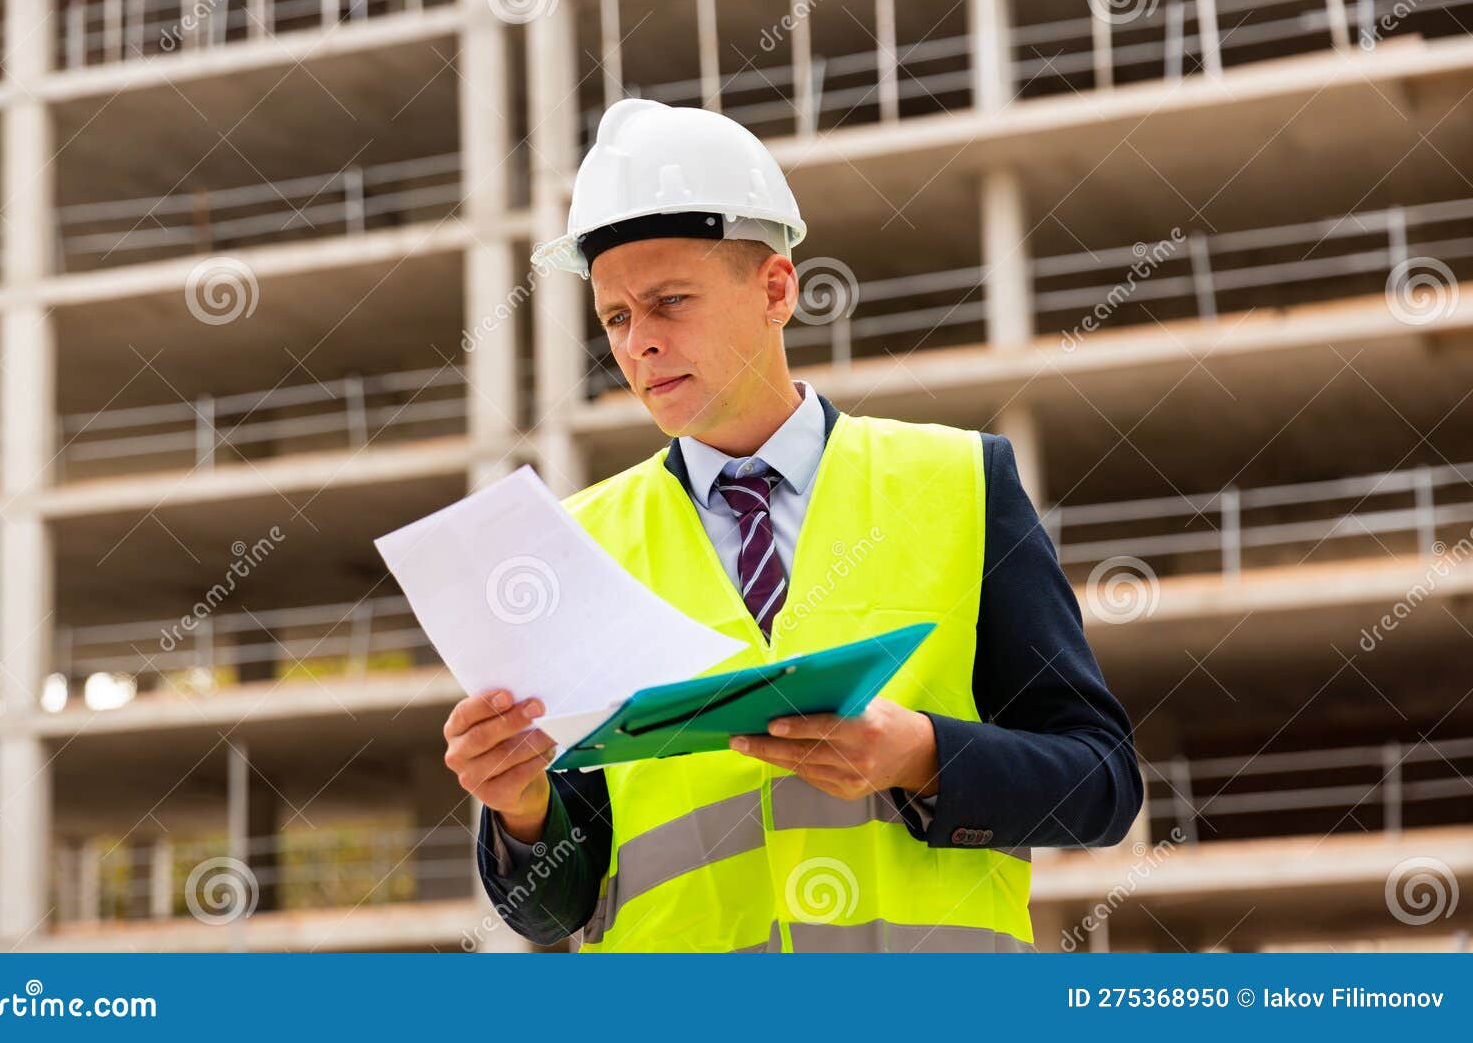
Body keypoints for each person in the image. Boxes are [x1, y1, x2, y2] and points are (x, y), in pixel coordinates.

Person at [441, 98, 1142, 952]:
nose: (638, 346)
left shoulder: (958, 481)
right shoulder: (576, 549)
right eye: (616, 318)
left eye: (669, 302)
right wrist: (519, 811)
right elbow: (551, 912)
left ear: (775, 289)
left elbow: (1102, 784)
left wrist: (921, 757)